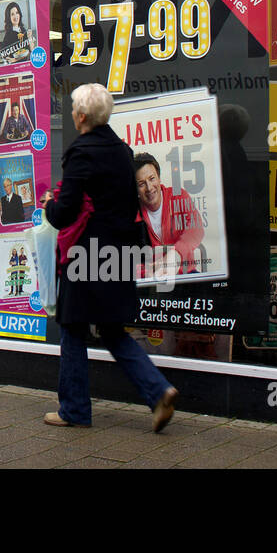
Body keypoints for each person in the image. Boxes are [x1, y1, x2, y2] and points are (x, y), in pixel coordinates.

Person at [39, 83, 178, 432]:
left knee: (72, 328)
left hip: (86, 254)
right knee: (113, 331)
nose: (72, 113)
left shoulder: (80, 153)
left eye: (73, 109)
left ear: (83, 116)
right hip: (119, 253)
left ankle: (73, 410)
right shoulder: (123, 151)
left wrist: (49, 206)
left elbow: (64, 212)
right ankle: (159, 391)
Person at [133, 152, 206, 278]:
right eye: (141, 184)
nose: (149, 188)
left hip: (185, 273)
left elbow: (196, 229)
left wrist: (176, 254)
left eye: (152, 179)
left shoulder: (178, 196)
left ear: (159, 177)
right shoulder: (132, 212)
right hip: (152, 279)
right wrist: (148, 271)